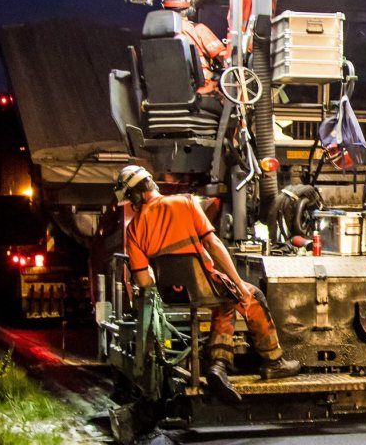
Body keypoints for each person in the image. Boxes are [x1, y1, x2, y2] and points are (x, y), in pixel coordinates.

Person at [116, 165, 301, 402]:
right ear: (150, 184)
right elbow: (214, 245)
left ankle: (219, 366)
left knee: (225, 304)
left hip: (171, 295)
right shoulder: (185, 202)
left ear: (134, 196)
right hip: (205, 286)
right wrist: (238, 283)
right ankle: (273, 361)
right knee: (250, 297)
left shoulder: (134, 229)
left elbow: (143, 279)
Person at [161, 0, 227, 91]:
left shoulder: (156, 33)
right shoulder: (198, 29)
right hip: (198, 90)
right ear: (190, 9)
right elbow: (224, 58)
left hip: (164, 91)